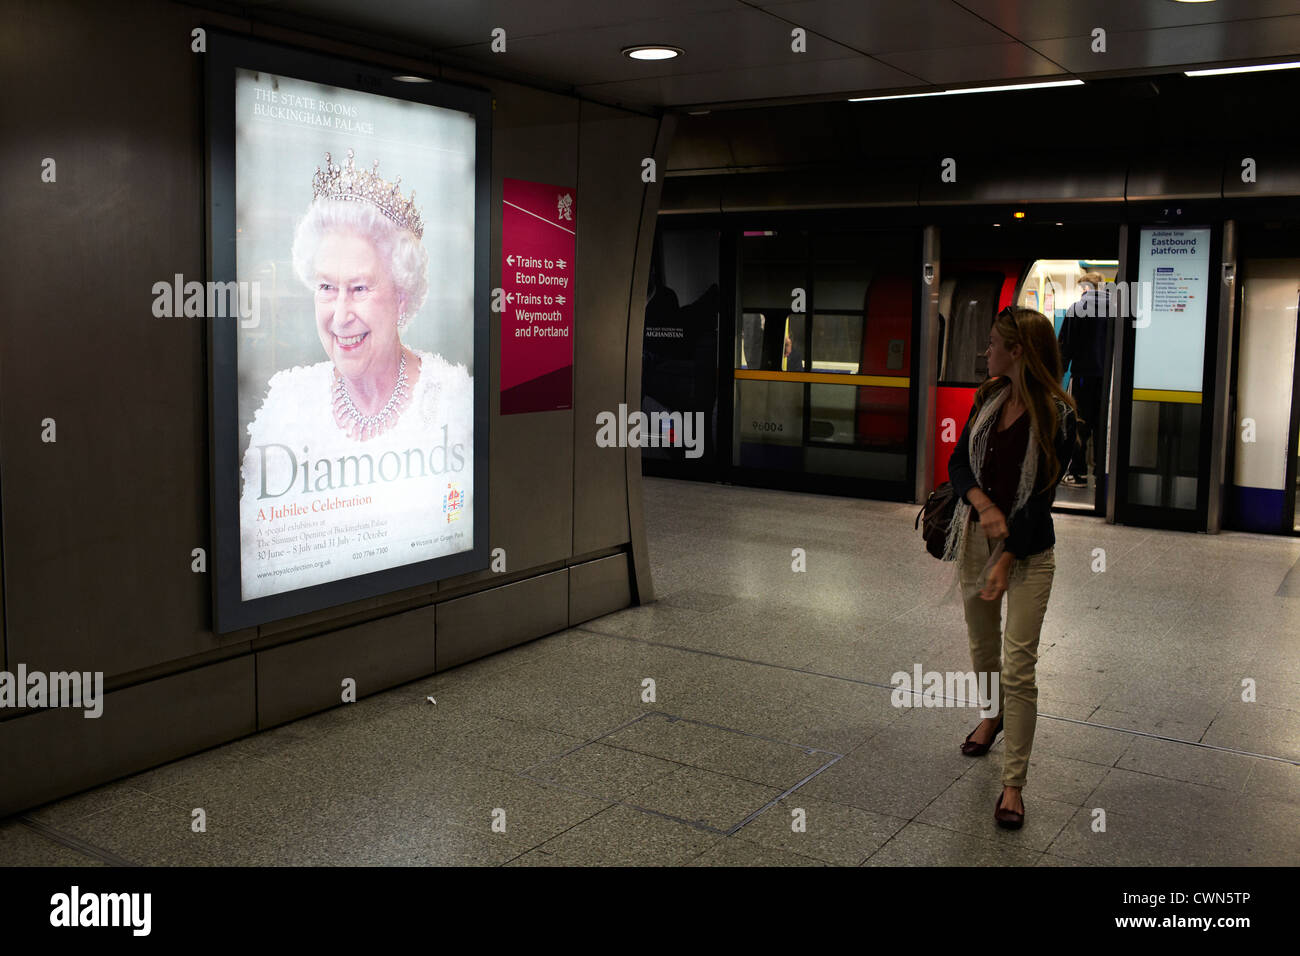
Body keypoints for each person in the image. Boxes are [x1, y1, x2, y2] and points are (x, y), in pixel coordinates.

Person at [238, 148, 474, 597]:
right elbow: (256, 552)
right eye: (327, 288)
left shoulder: (452, 398)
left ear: (402, 298)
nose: (340, 315)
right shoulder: (286, 402)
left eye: (360, 288)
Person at [943, 306, 1076, 830]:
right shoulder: (988, 397)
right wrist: (983, 503)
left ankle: (1014, 785)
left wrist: (1008, 558)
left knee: (1019, 665)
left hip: (1028, 553)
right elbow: (958, 464)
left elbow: (1040, 499)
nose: (986, 352)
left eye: (994, 343)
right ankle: (991, 716)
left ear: (1018, 350)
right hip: (977, 540)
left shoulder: (1059, 417)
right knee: (982, 648)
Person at [1058, 272, 1111, 486]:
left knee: (1079, 424)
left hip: (1083, 376)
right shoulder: (1115, 309)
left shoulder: (1077, 309)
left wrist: (1059, 374)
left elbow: (1065, 345)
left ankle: (1077, 473)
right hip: (1108, 378)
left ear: (1087, 288)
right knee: (1102, 424)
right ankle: (1101, 473)